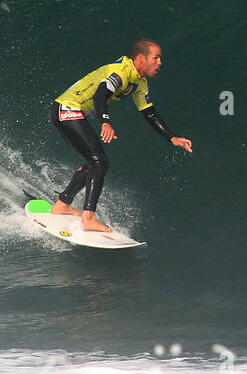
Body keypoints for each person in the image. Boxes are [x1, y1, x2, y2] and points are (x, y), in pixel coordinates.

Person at [49, 38, 192, 232]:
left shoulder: (139, 82)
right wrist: (105, 121)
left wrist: (171, 137)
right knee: (99, 161)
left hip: (70, 111)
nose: (160, 63)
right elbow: (100, 95)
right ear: (141, 58)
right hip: (66, 109)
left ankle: (62, 205)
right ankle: (88, 218)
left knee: (95, 162)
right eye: (156, 58)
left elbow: (148, 112)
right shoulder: (120, 73)